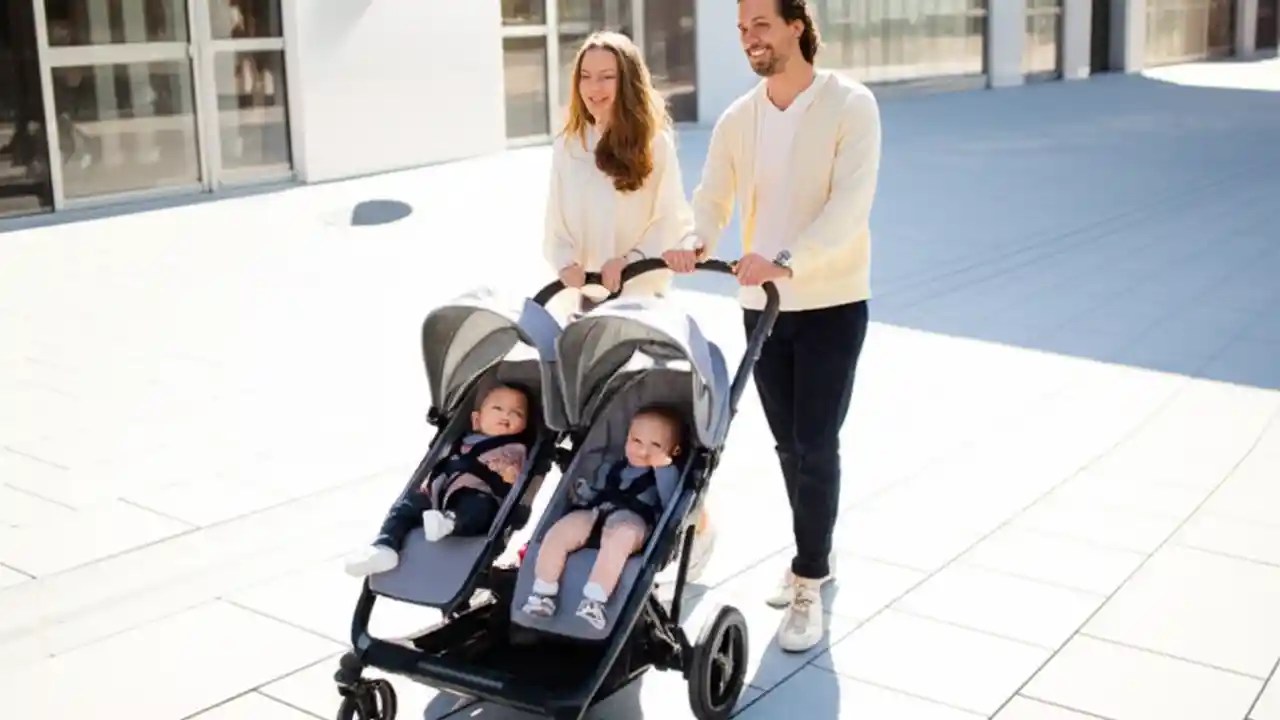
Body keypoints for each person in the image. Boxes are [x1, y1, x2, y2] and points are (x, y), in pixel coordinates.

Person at [663, 0, 881, 653]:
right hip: (762, 307)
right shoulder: (740, 117)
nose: (748, 38)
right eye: (741, 28)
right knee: (789, 446)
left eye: (760, 24)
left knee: (815, 443)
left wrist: (786, 259)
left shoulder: (850, 105)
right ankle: (814, 551)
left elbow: (849, 207)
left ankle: (810, 576)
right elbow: (713, 198)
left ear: (796, 24)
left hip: (831, 302)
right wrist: (697, 239)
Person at [543, 30, 716, 581]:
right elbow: (555, 221)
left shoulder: (653, 143)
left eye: (607, 77)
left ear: (628, 81)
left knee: (649, 431)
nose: (594, 88)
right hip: (584, 304)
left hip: (639, 301)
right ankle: (594, 526)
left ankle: (696, 526)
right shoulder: (569, 144)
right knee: (594, 430)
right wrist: (566, 260)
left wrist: (633, 259)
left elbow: (671, 220)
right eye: (585, 77)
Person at [520, 406, 683, 631]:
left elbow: (672, 503)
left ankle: (595, 599)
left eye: (655, 445)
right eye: (636, 441)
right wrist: (584, 492)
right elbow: (597, 492)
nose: (643, 450)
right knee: (560, 530)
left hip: (633, 519)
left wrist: (665, 468)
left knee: (622, 536)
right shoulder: (612, 467)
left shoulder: (665, 475)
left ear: (674, 451)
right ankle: (543, 592)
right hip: (597, 512)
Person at [344, 384, 532, 577]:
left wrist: (510, 474)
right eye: (498, 408)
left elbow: (515, 475)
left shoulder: (515, 448)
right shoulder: (459, 440)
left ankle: (449, 522)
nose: (506, 415)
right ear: (476, 420)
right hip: (437, 494)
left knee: (478, 508)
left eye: (517, 413)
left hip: (477, 495)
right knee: (405, 507)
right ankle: (385, 546)